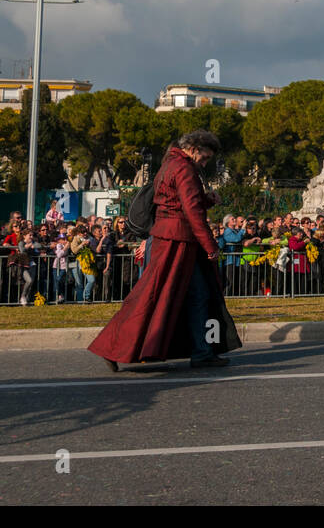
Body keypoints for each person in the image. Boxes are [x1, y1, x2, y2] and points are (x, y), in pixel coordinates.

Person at [88, 130, 241, 371]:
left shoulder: (170, 164)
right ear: (193, 149)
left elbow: (176, 202)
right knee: (156, 296)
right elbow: (191, 212)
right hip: (178, 240)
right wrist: (211, 246)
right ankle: (114, 346)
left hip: (170, 237)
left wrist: (206, 200)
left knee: (188, 295)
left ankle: (201, 351)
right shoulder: (184, 169)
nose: (205, 162)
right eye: (205, 157)